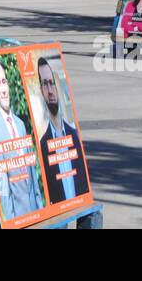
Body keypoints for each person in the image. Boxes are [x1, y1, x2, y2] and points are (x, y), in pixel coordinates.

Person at [0, 58, 42, 220]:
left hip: (35, 208)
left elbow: (31, 169)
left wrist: (41, 206)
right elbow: (3, 184)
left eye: (4, 81)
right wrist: (10, 220)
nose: (3, 89)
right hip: (19, 215)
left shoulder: (21, 124)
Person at [36, 58, 88, 203]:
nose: (50, 91)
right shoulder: (43, 146)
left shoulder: (74, 136)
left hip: (79, 205)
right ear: (41, 91)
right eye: (45, 84)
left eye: (51, 83)